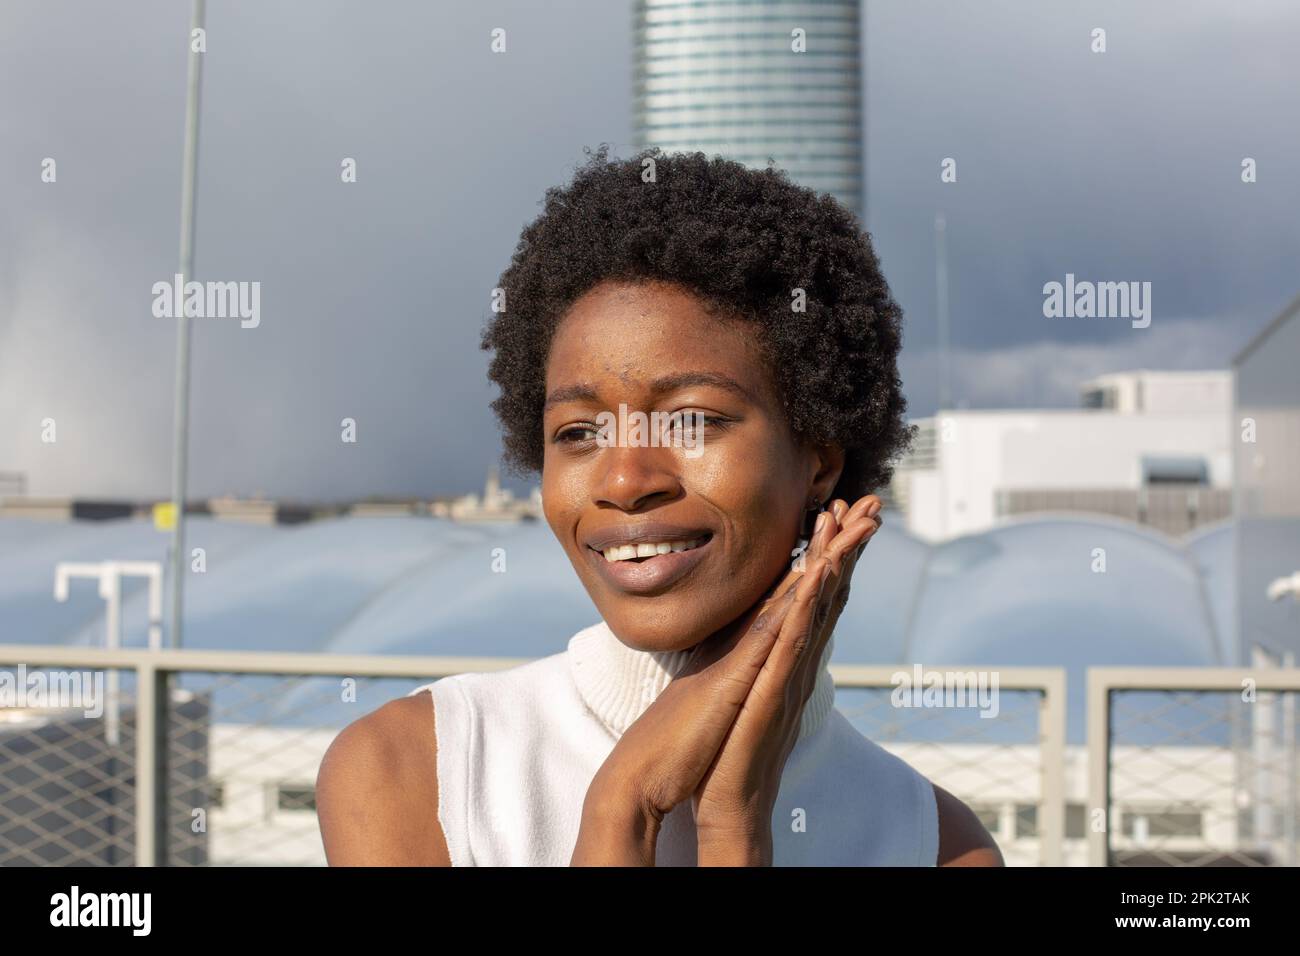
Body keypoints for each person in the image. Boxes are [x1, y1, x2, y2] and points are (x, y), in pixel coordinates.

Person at [316, 146, 1003, 867]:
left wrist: (733, 826)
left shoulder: (933, 845)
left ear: (820, 462)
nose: (624, 480)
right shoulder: (418, 771)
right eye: (578, 433)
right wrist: (623, 804)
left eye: (690, 421)